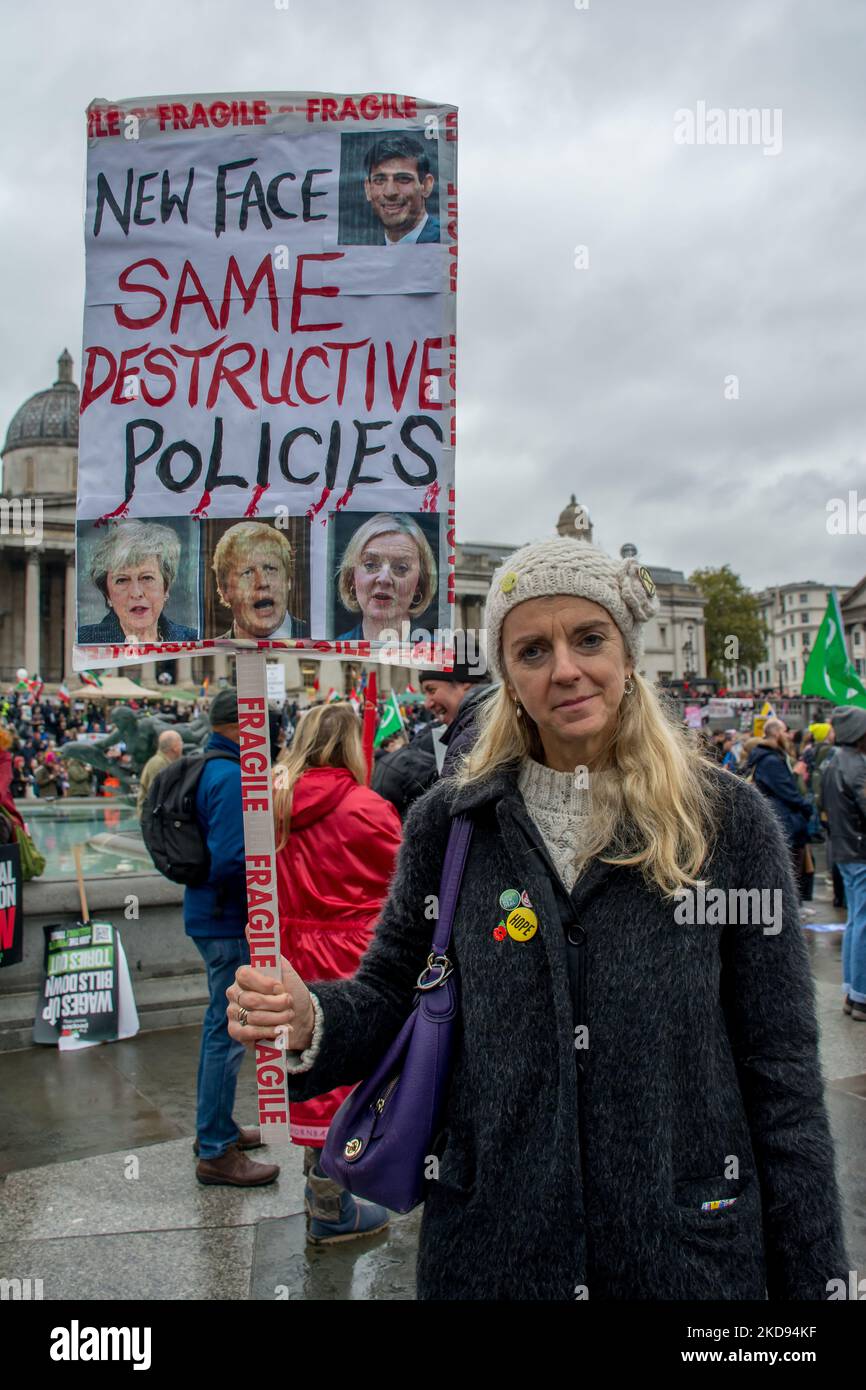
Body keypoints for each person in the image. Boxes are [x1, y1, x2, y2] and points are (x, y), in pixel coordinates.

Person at [227, 537, 848, 1300]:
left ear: (628, 654)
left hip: (688, 1253)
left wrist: (815, 1288)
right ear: (509, 678)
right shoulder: (448, 824)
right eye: (531, 649)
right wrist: (310, 1015)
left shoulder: (731, 823)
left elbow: (781, 1073)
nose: (564, 669)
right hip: (494, 1251)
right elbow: (392, 994)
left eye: (589, 639)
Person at [273, 702, 402, 1241]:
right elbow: (405, 883)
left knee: (308, 1070)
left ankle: (320, 1189)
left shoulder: (270, 804)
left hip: (293, 953)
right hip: (353, 954)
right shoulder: (366, 807)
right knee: (351, 1074)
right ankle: (332, 1203)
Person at [186, 687, 279, 1188]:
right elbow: (230, 858)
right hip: (226, 920)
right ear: (239, 726)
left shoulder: (211, 766)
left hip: (211, 916)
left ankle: (215, 1130)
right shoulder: (230, 776)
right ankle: (216, 1151)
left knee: (218, 1029)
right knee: (226, 1032)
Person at [371, 658, 490, 817]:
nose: (427, 704)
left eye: (431, 690)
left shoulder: (492, 735)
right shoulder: (453, 734)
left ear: (465, 684)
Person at [78, 520, 198, 644]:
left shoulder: (193, 640)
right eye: (122, 580)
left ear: (166, 588)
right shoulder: (83, 640)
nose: (136, 593)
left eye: (147, 578)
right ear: (108, 595)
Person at [819, 705, 866, 1021]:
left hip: (844, 849)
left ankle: (852, 990)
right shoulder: (856, 767)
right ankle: (861, 994)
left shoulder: (831, 762)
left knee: (855, 920)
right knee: (862, 921)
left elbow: (818, 805)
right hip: (860, 851)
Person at [744, 717, 813, 910]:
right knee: (787, 869)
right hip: (785, 821)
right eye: (784, 731)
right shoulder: (771, 760)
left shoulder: (772, 757)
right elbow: (787, 791)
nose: (789, 735)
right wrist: (806, 809)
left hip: (785, 819)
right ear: (775, 733)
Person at [335, 513, 437, 642]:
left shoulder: (440, 653)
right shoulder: (327, 653)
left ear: (419, 584)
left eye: (401, 568)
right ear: (351, 579)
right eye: (370, 565)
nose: (384, 579)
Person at [213, 522, 309, 640]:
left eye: (270, 568)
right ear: (224, 589)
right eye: (247, 573)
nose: (262, 582)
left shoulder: (323, 640)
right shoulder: (206, 652)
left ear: (288, 579)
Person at [363, 134, 441, 245]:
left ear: (426, 185)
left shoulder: (447, 240)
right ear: (368, 189)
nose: (390, 192)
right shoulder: (362, 249)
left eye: (403, 179)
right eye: (379, 180)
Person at [135, 728, 183, 818]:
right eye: (181, 743)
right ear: (175, 747)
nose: (182, 746)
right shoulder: (158, 764)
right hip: (153, 820)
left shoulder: (164, 761)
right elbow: (157, 796)